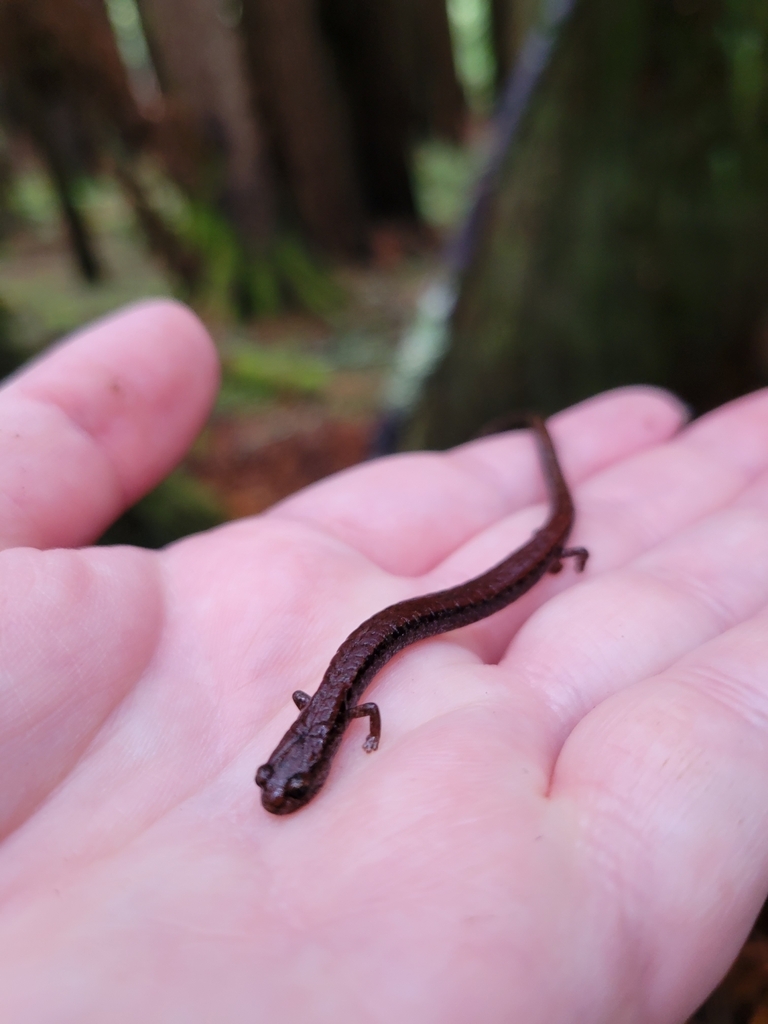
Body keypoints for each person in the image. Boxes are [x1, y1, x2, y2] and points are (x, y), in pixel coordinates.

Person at [0, 298, 764, 1022]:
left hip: (449, 603)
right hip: (409, 623)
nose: (283, 789)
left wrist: (367, 733)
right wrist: (358, 729)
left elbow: (349, 705)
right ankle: (548, 522)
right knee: (529, 558)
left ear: (315, 750)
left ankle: (553, 526)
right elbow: (341, 704)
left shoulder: (336, 714)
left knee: (534, 558)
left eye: (289, 783)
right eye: (287, 783)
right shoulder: (329, 715)